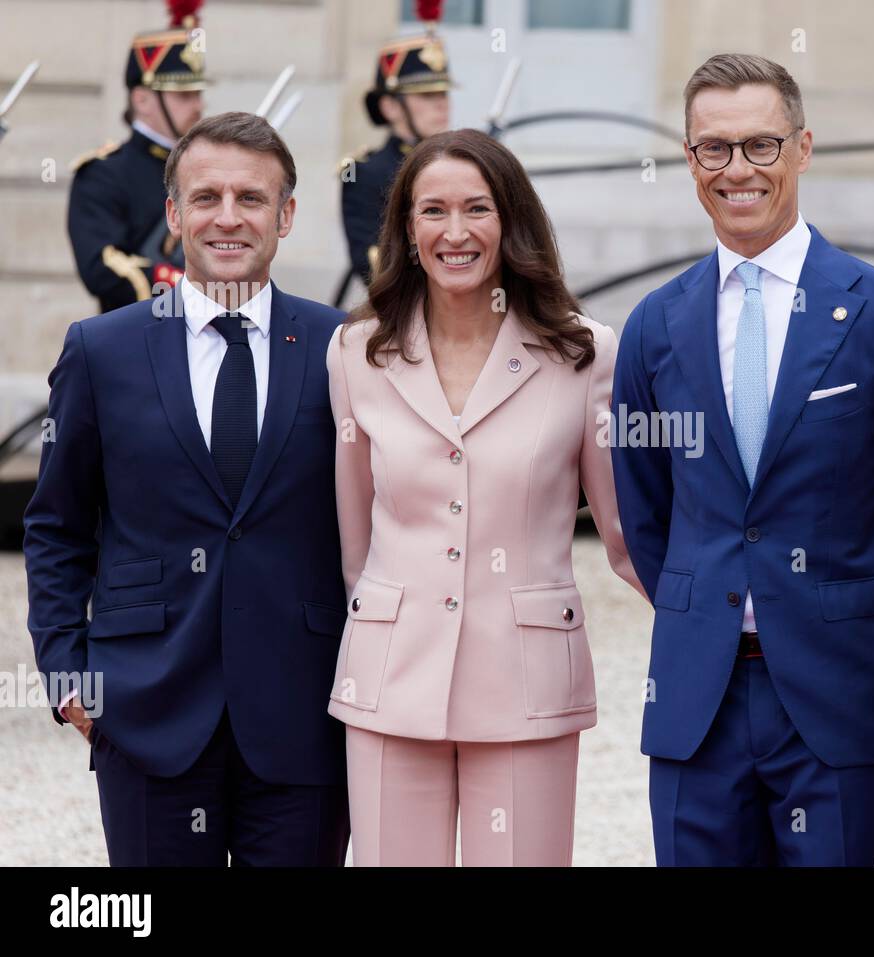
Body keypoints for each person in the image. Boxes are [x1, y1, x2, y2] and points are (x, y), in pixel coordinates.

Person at [611, 54, 874, 866]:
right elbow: (644, 510)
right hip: (699, 701)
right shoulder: (655, 325)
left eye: (762, 146)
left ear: (803, 148)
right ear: (690, 160)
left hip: (845, 694)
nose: (739, 170)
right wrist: (708, 609)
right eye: (714, 149)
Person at [25, 112, 350, 866]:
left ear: (287, 215)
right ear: (174, 214)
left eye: (252, 198)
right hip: (145, 711)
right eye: (206, 197)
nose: (228, 218)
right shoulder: (101, 351)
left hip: (304, 715)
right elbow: (56, 526)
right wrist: (67, 672)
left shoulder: (343, 347)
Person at [327, 128, 645, 866]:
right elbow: (354, 536)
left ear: (510, 222)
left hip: (526, 683)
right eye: (433, 211)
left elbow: (627, 533)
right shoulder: (356, 351)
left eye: (477, 208)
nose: (456, 231)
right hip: (390, 679)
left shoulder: (585, 354)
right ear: (407, 230)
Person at [67, 0, 206, 313]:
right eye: (185, 95)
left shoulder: (202, 167)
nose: (198, 105)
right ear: (142, 99)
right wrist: (184, 284)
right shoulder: (104, 173)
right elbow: (100, 268)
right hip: (135, 333)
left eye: (198, 93)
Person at [339, 5, 453, 287]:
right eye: (426, 95)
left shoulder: (461, 164)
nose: (441, 103)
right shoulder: (365, 171)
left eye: (443, 93)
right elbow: (372, 263)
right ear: (390, 106)